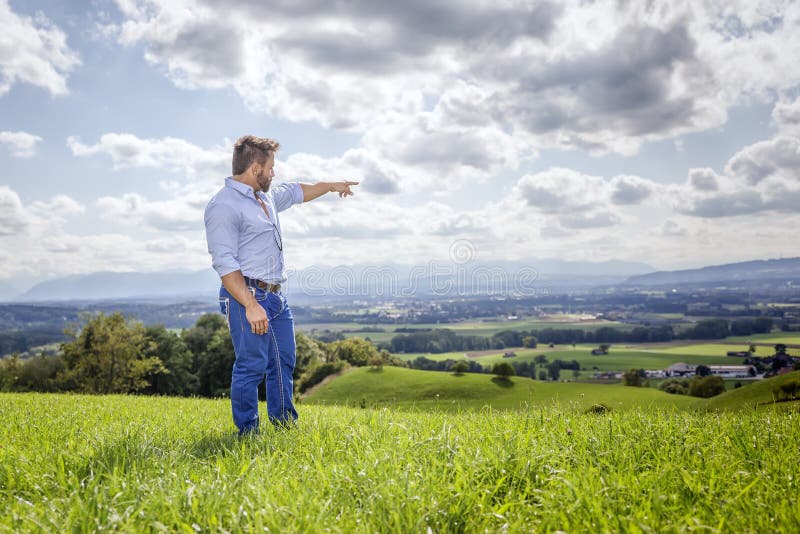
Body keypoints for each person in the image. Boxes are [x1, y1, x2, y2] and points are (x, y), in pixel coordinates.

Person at [204, 135, 358, 434]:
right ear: (255, 168)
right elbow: (224, 263)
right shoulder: (223, 205)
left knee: (283, 361)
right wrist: (250, 305)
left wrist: (330, 186)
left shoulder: (266, 198)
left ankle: (284, 426)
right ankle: (247, 433)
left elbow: (298, 190)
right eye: (271, 167)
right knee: (251, 365)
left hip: (276, 295)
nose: (274, 173)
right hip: (245, 295)